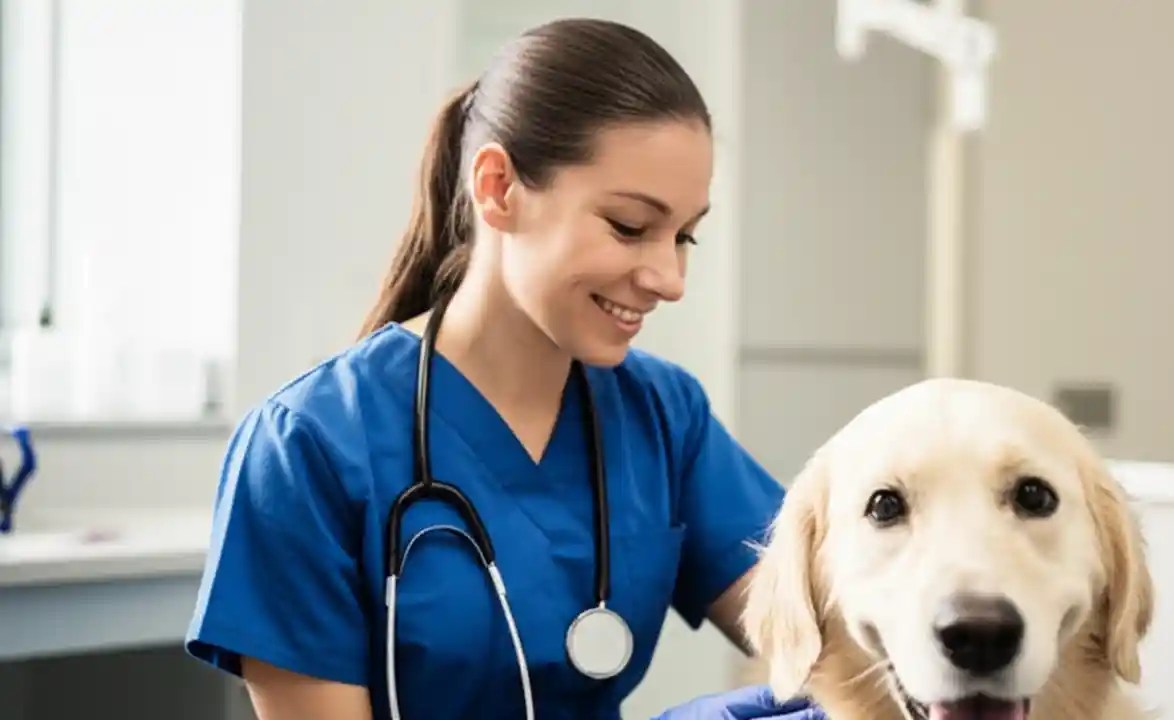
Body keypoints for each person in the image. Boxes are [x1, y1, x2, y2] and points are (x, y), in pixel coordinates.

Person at [184, 17, 825, 720]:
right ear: (497, 188)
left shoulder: (663, 418)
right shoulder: (304, 447)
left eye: (685, 234)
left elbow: (826, 636)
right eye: (629, 226)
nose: (670, 278)